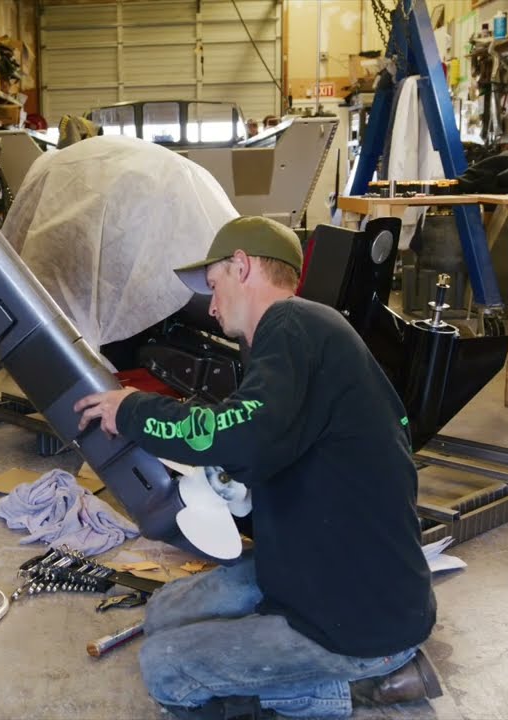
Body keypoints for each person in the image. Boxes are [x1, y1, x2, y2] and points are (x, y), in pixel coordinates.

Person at [73, 216, 441, 719]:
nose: (212, 303)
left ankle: (371, 682)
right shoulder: (297, 336)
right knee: (163, 612)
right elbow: (268, 446)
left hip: (358, 616)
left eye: (213, 285)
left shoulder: (293, 326)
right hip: (316, 567)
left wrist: (133, 410)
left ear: (242, 266)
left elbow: (239, 434)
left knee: (166, 666)